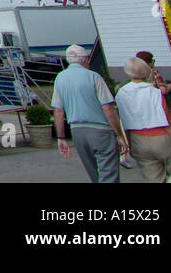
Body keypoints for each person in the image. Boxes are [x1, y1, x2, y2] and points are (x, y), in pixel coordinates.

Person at [51, 44, 128, 183]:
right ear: (85, 59)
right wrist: (119, 134)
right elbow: (108, 109)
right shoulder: (94, 76)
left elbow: (58, 111)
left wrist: (61, 137)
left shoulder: (60, 78)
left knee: (94, 172)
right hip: (100, 130)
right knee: (108, 172)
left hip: (77, 130)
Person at [115, 56, 171, 183]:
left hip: (138, 139)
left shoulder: (121, 94)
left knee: (154, 179)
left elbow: (125, 123)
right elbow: (168, 123)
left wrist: (130, 145)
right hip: (162, 138)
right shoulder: (154, 92)